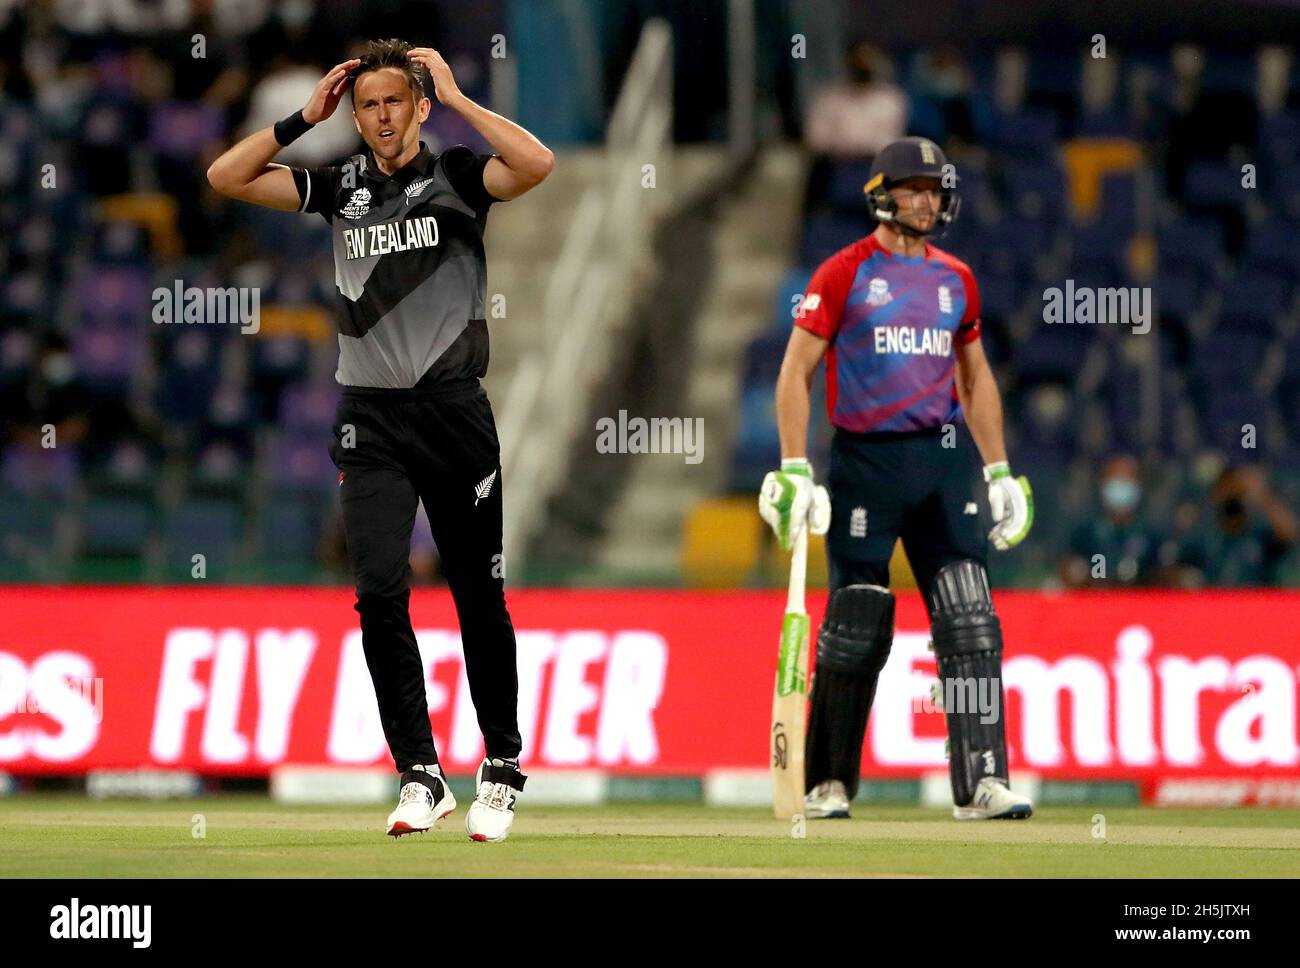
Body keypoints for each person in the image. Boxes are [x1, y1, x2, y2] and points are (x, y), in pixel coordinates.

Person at [206, 38, 554, 842]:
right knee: (378, 594)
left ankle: (500, 768)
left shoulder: (460, 177)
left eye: (396, 101)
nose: (382, 116)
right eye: (368, 106)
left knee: (477, 596)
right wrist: (302, 118)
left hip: (455, 414)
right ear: (354, 115)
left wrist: (463, 100)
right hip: (369, 420)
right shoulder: (339, 188)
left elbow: (536, 166)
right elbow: (225, 177)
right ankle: (420, 773)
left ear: (419, 107)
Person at [759, 136, 1034, 821]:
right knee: (857, 623)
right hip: (864, 465)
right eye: (915, 188)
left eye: (936, 189)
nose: (929, 200)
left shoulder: (956, 280)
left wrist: (999, 469)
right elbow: (795, 371)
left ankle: (983, 782)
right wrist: (794, 466)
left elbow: (974, 377)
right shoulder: (843, 272)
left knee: (970, 618)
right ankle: (827, 784)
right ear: (882, 193)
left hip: (942, 465)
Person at [1059, 453, 1165, 587]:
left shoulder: (1152, 534)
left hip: (1139, 603)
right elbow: (1067, 565)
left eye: (1126, 480)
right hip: (1095, 601)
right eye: (1115, 480)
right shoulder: (1085, 532)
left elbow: (1161, 574)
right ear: (1103, 485)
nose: (1120, 487)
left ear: (1138, 485)